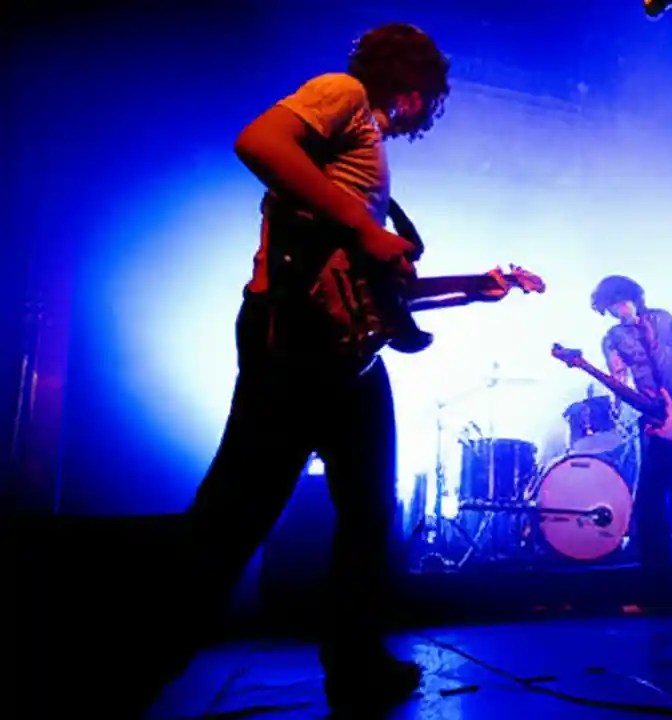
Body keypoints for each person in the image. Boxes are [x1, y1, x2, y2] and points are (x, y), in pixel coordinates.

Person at [184, 23, 451, 710]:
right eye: (428, 99)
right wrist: (366, 226)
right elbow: (259, 142)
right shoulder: (345, 94)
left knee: (367, 513)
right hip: (298, 342)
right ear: (415, 88)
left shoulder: (364, 158)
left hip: (351, 352)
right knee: (236, 514)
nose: (423, 115)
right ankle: (125, 657)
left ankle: (357, 661)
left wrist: (475, 284)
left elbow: (367, 276)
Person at [590, 275, 672, 613]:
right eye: (611, 307)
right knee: (652, 509)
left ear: (634, 297)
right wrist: (617, 390)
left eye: (621, 302)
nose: (619, 310)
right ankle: (662, 594)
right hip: (653, 417)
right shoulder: (612, 337)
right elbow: (618, 374)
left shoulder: (663, 319)